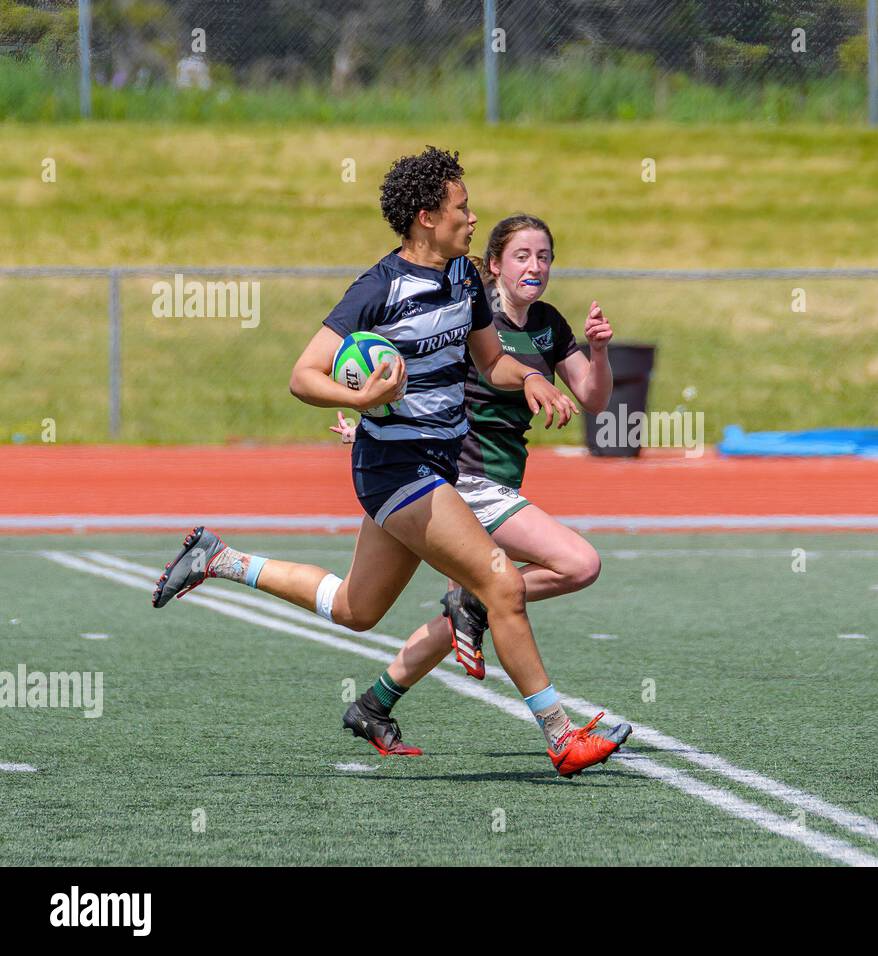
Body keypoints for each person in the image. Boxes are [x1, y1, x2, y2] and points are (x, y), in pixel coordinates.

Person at [150, 146, 630, 778]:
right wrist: (363, 396)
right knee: (502, 583)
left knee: (357, 609)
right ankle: (561, 734)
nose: (472, 214)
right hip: (397, 470)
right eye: (463, 206)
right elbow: (302, 375)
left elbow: (490, 361)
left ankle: (222, 559)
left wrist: (532, 380)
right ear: (428, 216)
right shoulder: (378, 288)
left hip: (434, 467)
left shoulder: (463, 276)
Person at [328, 213, 614, 753]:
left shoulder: (548, 324)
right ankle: (559, 734)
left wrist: (597, 352)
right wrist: (368, 418)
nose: (536, 266)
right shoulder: (464, 313)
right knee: (576, 564)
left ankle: (373, 704)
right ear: (496, 264)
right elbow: (398, 366)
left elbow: (594, 400)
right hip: (456, 479)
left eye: (545, 256)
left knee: (374, 607)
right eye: (523, 256)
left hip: (497, 482)